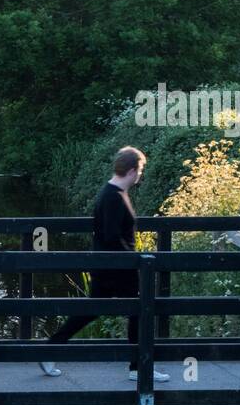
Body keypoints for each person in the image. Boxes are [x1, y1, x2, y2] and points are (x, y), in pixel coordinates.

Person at [41, 146, 171, 382]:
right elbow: (111, 236)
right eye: (140, 170)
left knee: (96, 310)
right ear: (132, 170)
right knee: (140, 311)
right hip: (117, 266)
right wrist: (134, 261)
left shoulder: (112, 192)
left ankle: (50, 348)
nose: (140, 175)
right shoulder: (113, 196)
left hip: (110, 265)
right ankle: (138, 368)